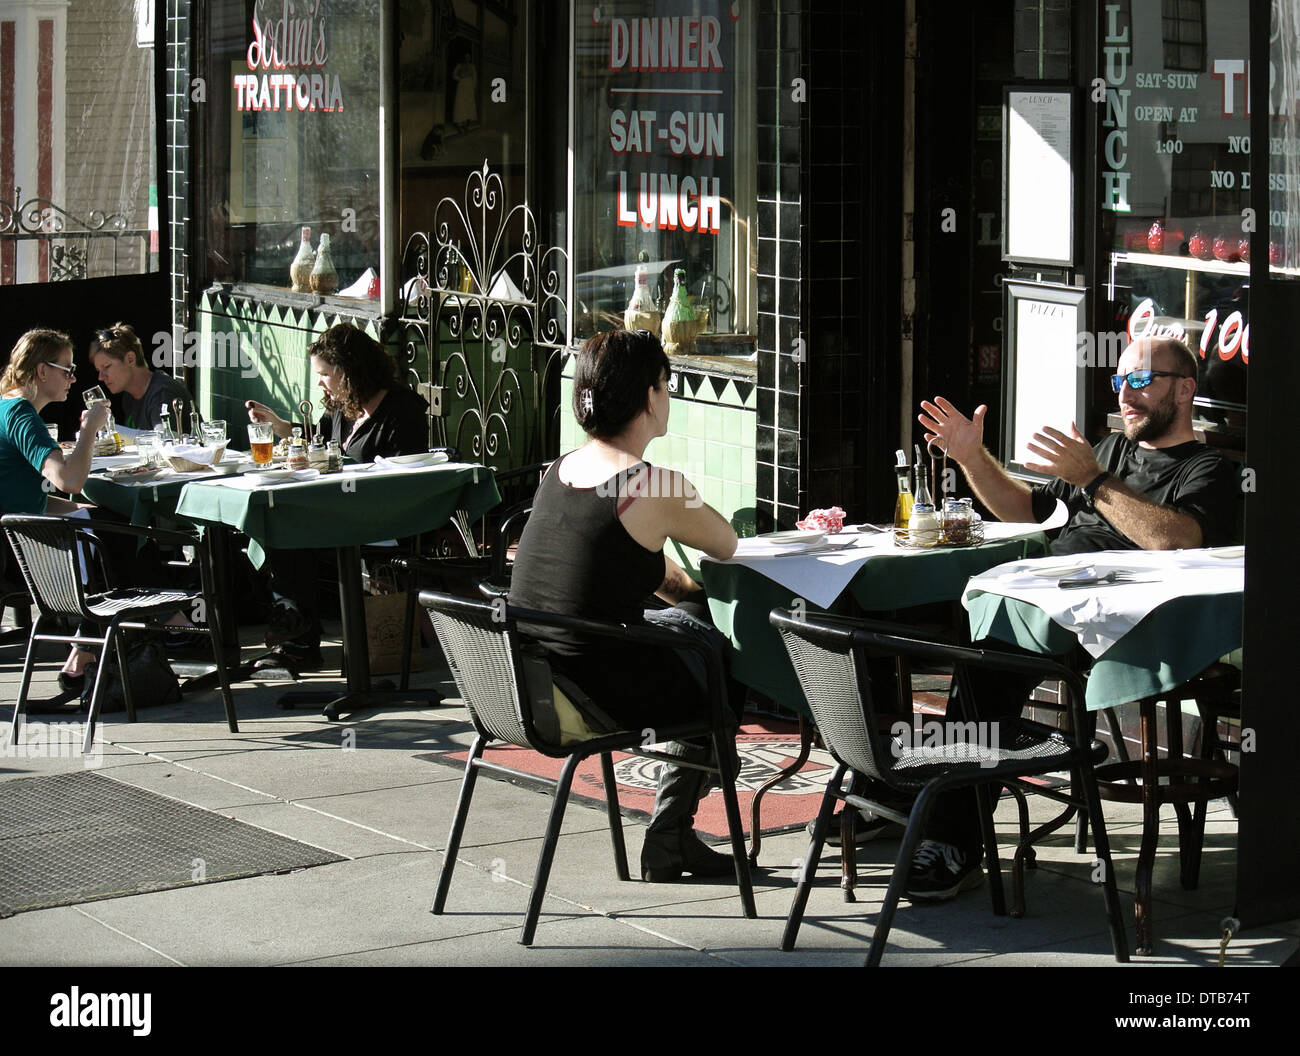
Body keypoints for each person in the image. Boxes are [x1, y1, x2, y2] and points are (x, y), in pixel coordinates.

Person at [903, 335, 1242, 900]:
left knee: (985, 672)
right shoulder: (1107, 450)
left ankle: (950, 838)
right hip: (1044, 600)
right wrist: (969, 456)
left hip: (1117, 629)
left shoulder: (1208, 469)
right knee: (896, 628)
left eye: (1140, 381)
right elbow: (1022, 510)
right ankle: (890, 791)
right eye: (1119, 381)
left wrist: (1094, 482)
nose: (1125, 395)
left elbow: (1175, 541)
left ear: (1184, 390)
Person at [508, 329, 743, 883]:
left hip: (530, 682)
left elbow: (628, 566)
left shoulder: (559, 469)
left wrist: (692, 600)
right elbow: (728, 545)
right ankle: (674, 829)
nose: (670, 394)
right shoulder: (654, 485)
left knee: (695, 625)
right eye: (667, 383)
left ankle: (677, 827)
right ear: (649, 396)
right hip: (594, 693)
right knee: (715, 656)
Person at [244, 324, 428, 670]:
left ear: (349, 371)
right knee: (278, 524)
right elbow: (324, 447)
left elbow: (407, 477)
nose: (320, 383)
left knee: (292, 534)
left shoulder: (402, 409)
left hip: (383, 519)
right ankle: (294, 624)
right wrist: (284, 428)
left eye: (325, 374)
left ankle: (299, 635)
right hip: (338, 514)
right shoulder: (342, 407)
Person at [1, 328, 110, 686]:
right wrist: (89, 431)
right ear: (41, 371)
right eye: (66, 369)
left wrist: (81, 510)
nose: (73, 377)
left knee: (99, 524)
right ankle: (92, 648)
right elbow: (69, 480)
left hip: (13, 539)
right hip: (15, 557)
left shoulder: (6, 408)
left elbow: (24, 496)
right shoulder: (19, 414)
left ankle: (84, 650)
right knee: (110, 545)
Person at [90, 323, 193, 434]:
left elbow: (165, 441)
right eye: (99, 370)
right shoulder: (129, 396)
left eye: (106, 367)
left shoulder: (162, 393)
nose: (100, 377)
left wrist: (107, 427)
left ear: (130, 359)